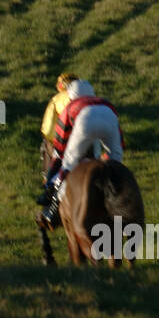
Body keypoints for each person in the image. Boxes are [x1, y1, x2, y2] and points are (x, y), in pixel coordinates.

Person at [37, 78, 126, 224]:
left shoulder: (71, 105)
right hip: (109, 116)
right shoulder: (105, 102)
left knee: (67, 165)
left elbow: (60, 143)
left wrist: (59, 158)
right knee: (116, 164)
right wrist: (109, 157)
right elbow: (120, 141)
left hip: (85, 120)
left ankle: (53, 208)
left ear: (71, 96)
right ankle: (121, 201)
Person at [40, 73, 77, 146]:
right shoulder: (88, 97)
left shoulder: (56, 99)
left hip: (67, 136)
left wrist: (49, 138)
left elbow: (49, 125)